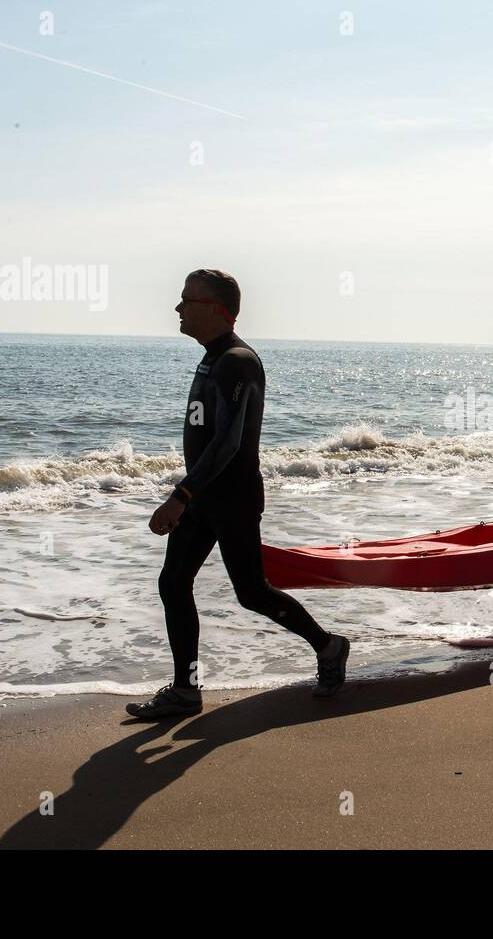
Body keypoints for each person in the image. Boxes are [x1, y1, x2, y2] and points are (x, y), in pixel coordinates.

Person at [127, 269, 349, 719]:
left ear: (215, 309)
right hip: (203, 496)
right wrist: (190, 493)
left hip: (232, 498)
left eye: (187, 299)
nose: (178, 308)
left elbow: (228, 443)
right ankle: (186, 691)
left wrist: (181, 494)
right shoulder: (212, 358)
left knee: (251, 592)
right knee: (173, 583)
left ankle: (329, 646)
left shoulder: (238, 361)